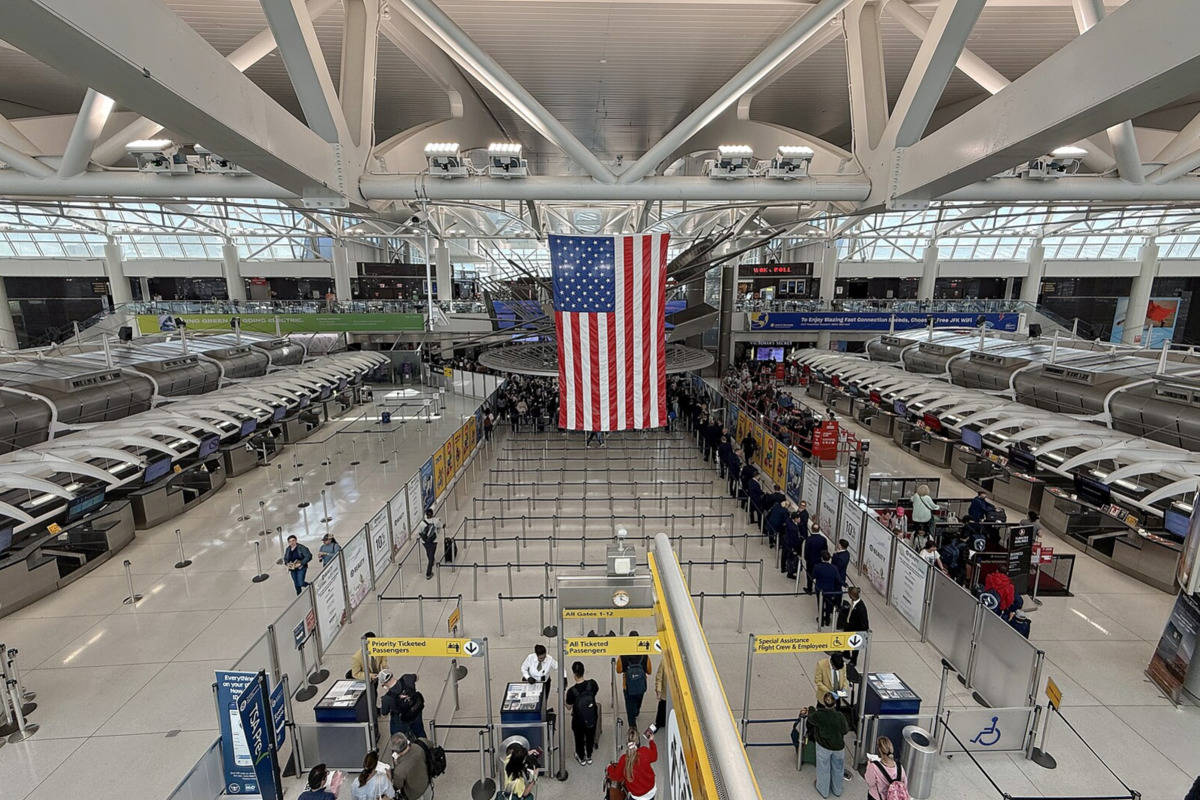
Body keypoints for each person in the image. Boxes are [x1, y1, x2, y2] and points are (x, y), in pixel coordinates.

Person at [803, 693, 850, 799]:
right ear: (835, 703)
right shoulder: (840, 716)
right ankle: (837, 790)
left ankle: (823, 790)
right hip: (838, 747)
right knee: (838, 768)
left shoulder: (819, 715)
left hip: (823, 746)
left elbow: (811, 718)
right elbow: (845, 730)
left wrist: (810, 709)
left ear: (824, 702)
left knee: (823, 768)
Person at [605, 727, 658, 800]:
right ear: (638, 742)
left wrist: (609, 767)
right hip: (651, 791)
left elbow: (616, 776)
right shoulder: (644, 751)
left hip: (636, 795)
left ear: (627, 743)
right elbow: (654, 757)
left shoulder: (624, 759)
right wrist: (651, 741)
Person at [616, 632, 652, 731]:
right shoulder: (644, 656)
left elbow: (618, 670)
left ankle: (633, 733)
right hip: (641, 686)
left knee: (630, 710)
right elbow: (649, 671)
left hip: (628, 687)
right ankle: (636, 711)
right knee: (638, 702)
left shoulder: (623, 655)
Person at [566, 660, 600, 765]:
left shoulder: (572, 691)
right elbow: (595, 692)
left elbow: (568, 706)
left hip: (578, 720)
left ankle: (581, 757)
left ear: (574, 674)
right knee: (590, 737)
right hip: (592, 716)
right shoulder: (592, 684)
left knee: (579, 738)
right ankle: (589, 755)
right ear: (583, 671)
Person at [384, 732, 432, 800]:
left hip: (414, 795)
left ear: (395, 750)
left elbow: (397, 785)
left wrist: (390, 775)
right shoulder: (420, 745)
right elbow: (431, 744)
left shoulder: (399, 770)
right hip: (426, 785)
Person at [381, 673, 426, 738]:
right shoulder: (406, 678)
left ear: (383, 684)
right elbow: (417, 677)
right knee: (419, 731)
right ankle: (424, 745)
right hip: (415, 711)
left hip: (401, 719)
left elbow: (384, 714)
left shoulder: (387, 698)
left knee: (397, 737)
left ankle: (401, 745)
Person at [840, 587, 870, 667]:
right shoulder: (853, 602)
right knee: (846, 639)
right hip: (849, 625)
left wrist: (864, 632)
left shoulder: (861, 608)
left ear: (852, 595)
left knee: (855, 646)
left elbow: (864, 622)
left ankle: (854, 660)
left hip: (856, 629)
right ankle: (846, 653)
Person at [813, 551, 843, 627]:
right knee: (829, 604)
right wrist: (845, 584)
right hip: (830, 589)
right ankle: (827, 620)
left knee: (820, 603)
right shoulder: (834, 568)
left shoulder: (817, 566)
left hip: (820, 589)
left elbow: (813, 576)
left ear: (821, 558)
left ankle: (821, 620)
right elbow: (839, 579)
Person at [804, 522, 830, 595]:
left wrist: (806, 558)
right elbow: (825, 550)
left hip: (811, 561)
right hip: (820, 560)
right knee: (820, 575)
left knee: (809, 575)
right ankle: (819, 589)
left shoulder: (809, 539)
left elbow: (807, 550)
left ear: (812, 529)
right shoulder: (823, 539)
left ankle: (809, 589)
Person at [782, 510, 804, 579]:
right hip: (790, 545)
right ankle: (790, 572)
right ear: (795, 519)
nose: (800, 519)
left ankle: (783, 568)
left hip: (786, 541)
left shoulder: (789, 521)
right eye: (798, 518)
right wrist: (794, 549)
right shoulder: (793, 529)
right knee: (791, 558)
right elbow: (794, 540)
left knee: (784, 555)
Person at [419, 508, 440, 579]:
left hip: (425, 542)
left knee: (428, 552)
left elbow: (420, 532)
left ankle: (432, 560)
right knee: (431, 555)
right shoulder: (436, 521)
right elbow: (441, 525)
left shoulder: (422, 523)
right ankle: (428, 573)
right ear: (432, 514)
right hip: (433, 541)